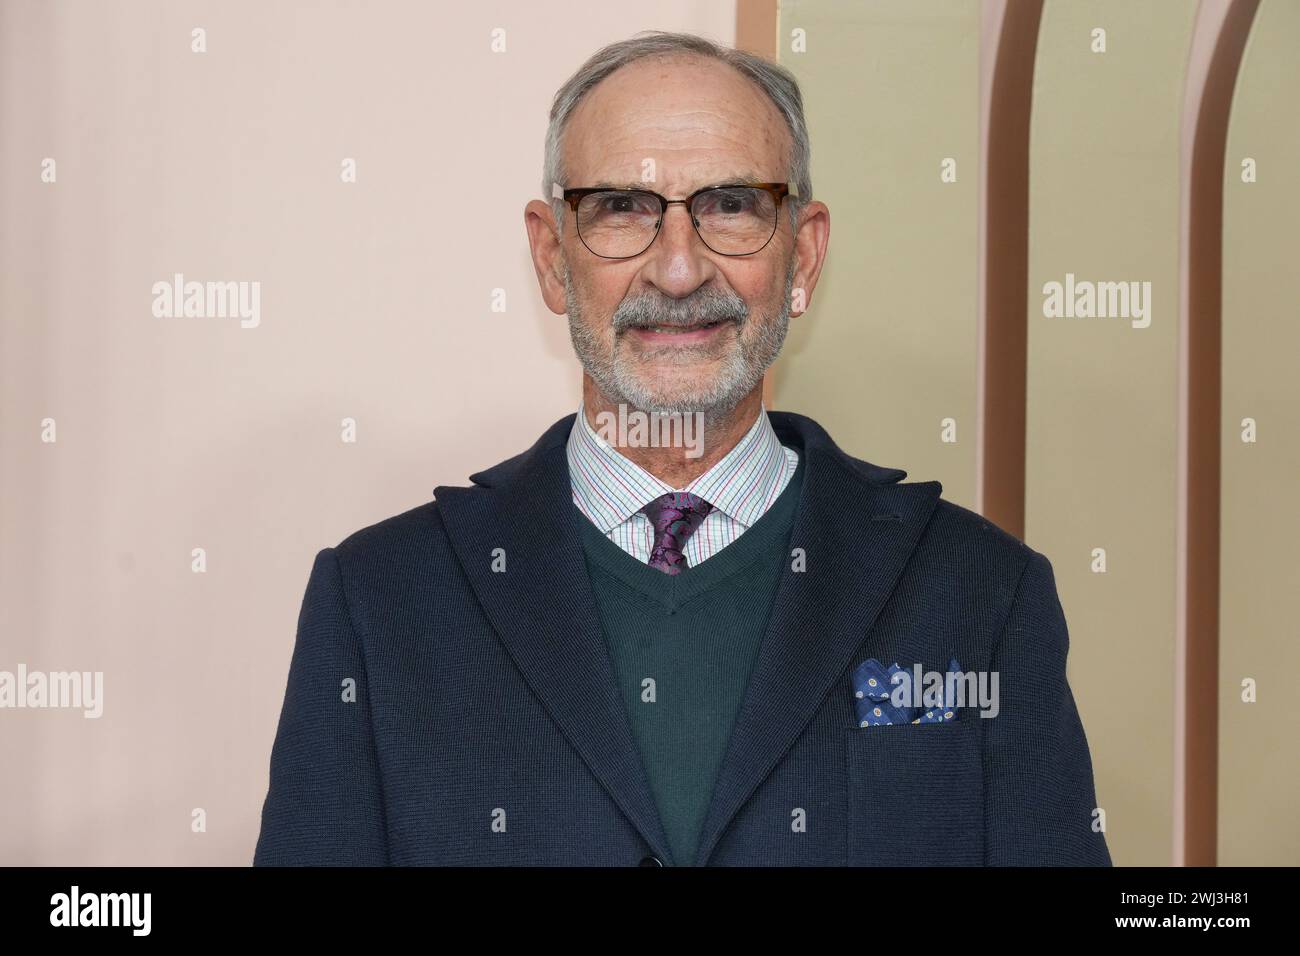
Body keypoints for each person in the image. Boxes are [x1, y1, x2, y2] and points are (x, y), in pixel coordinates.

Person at [254, 30, 1110, 867]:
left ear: (803, 256)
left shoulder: (983, 596)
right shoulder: (379, 605)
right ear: (552, 260)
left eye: (730, 206)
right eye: (622, 208)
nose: (676, 270)